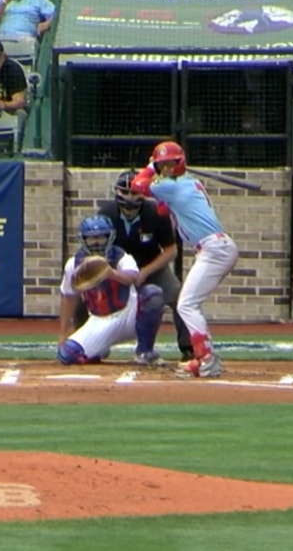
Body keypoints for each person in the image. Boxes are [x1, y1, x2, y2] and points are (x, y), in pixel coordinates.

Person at [129, 141, 239, 379]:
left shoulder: (173, 186)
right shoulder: (187, 183)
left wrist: (151, 168)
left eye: (170, 164)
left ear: (179, 163)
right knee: (189, 303)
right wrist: (160, 174)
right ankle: (204, 357)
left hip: (214, 249)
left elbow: (136, 185)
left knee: (186, 305)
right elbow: (162, 210)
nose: (166, 169)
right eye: (163, 165)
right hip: (215, 247)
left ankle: (207, 360)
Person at [95, 169, 192, 361]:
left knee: (180, 297)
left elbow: (171, 250)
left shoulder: (157, 212)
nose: (129, 198)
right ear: (117, 192)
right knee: (86, 292)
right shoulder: (106, 214)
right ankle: (88, 346)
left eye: (134, 192)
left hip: (151, 266)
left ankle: (188, 348)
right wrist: (112, 273)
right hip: (116, 269)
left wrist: (145, 272)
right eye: (125, 192)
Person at [56, 215, 166, 367]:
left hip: (128, 314)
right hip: (100, 319)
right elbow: (68, 296)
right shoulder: (74, 264)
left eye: (101, 237)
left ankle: (144, 351)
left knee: (152, 294)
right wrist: (63, 332)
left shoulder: (121, 257)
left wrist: (110, 273)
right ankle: (98, 350)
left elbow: (132, 278)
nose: (96, 242)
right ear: (83, 239)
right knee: (66, 355)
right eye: (91, 238)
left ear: (110, 237)